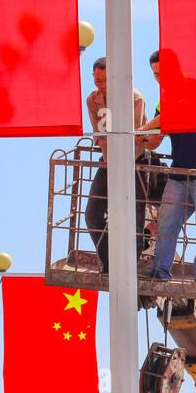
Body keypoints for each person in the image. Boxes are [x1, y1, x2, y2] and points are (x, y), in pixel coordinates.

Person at [140, 49, 196, 282]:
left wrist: (144, 127)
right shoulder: (164, 100)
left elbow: (174, 116)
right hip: (180, 171)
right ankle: (160, 270)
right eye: (155, 74)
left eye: (162, 73)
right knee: (167, 222)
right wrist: (143, 140)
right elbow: (157, 139)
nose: (160, 79)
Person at [84, 57, 150, 273]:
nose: (99, 85)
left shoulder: (134, 98)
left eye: (103, 80)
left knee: (135, 215)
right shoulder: (93, 101)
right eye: (96, 80)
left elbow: (136, 135)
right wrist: (105, 142)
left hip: (135, 162)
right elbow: (98, 135)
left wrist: (111, 140)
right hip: (109, 161)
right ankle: (110, 261)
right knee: (93, 213)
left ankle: (132, 264)